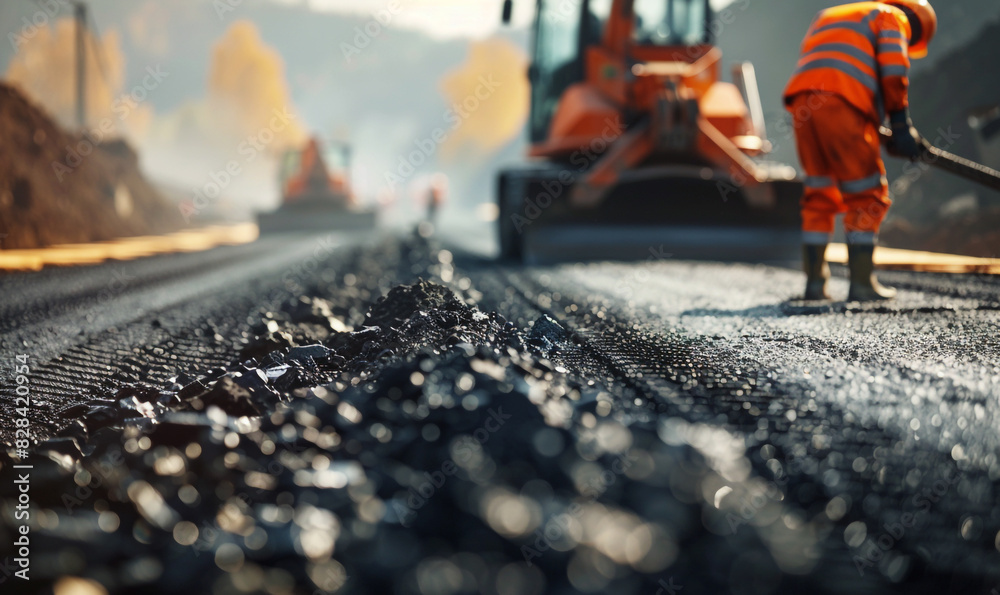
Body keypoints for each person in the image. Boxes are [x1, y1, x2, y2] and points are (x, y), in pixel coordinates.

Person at [784, 0, 937, 301]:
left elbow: (824, 61)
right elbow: (893, 71)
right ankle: (862, 284)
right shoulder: (891, 17)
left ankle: (814, 284)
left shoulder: (829, 14)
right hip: (843, 104)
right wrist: (901, 125)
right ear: (915, 23)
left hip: (802, 105)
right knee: (866, 195)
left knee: (819, 194)